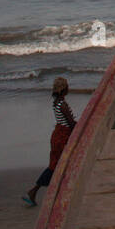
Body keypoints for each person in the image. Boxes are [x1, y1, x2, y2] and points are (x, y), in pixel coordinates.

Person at [24, 78, 77, 206]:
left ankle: (36, 191)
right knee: (56, 166)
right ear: (64, 89)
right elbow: (71, 123)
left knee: (55, 165)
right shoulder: (62, 104)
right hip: (62, 136)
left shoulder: (57, 102)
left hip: (58, 134)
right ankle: (34, 191)